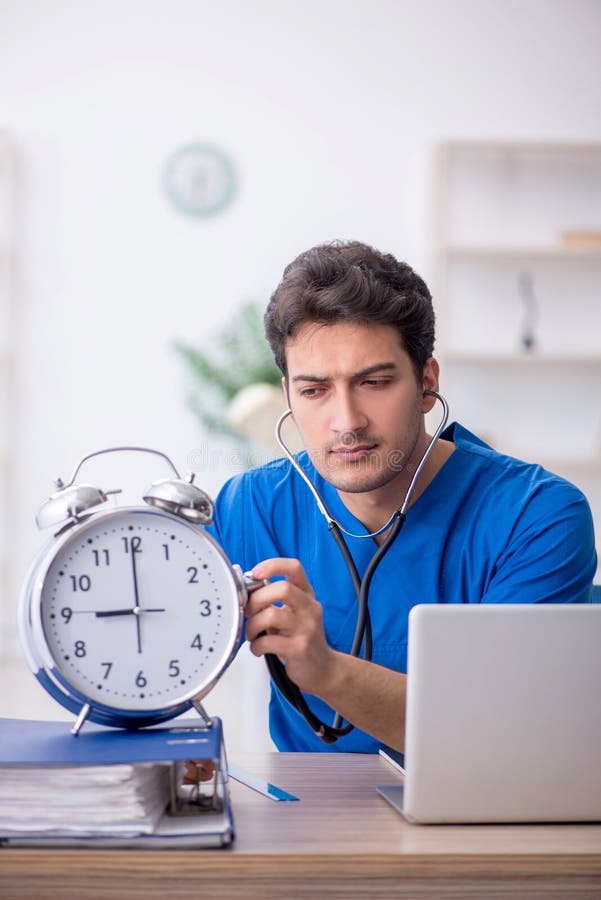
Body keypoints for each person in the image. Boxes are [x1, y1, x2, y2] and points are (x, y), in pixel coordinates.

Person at [206, 240, 597, 756]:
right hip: (304, 822)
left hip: (481, 821)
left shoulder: (537, 516)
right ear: (288, 397)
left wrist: (325, 670)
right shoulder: (251, 506)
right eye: (314, 390)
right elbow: (163, 662)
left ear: (427, 383)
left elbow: (499, 736)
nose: (346, 422)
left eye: (373, 382)